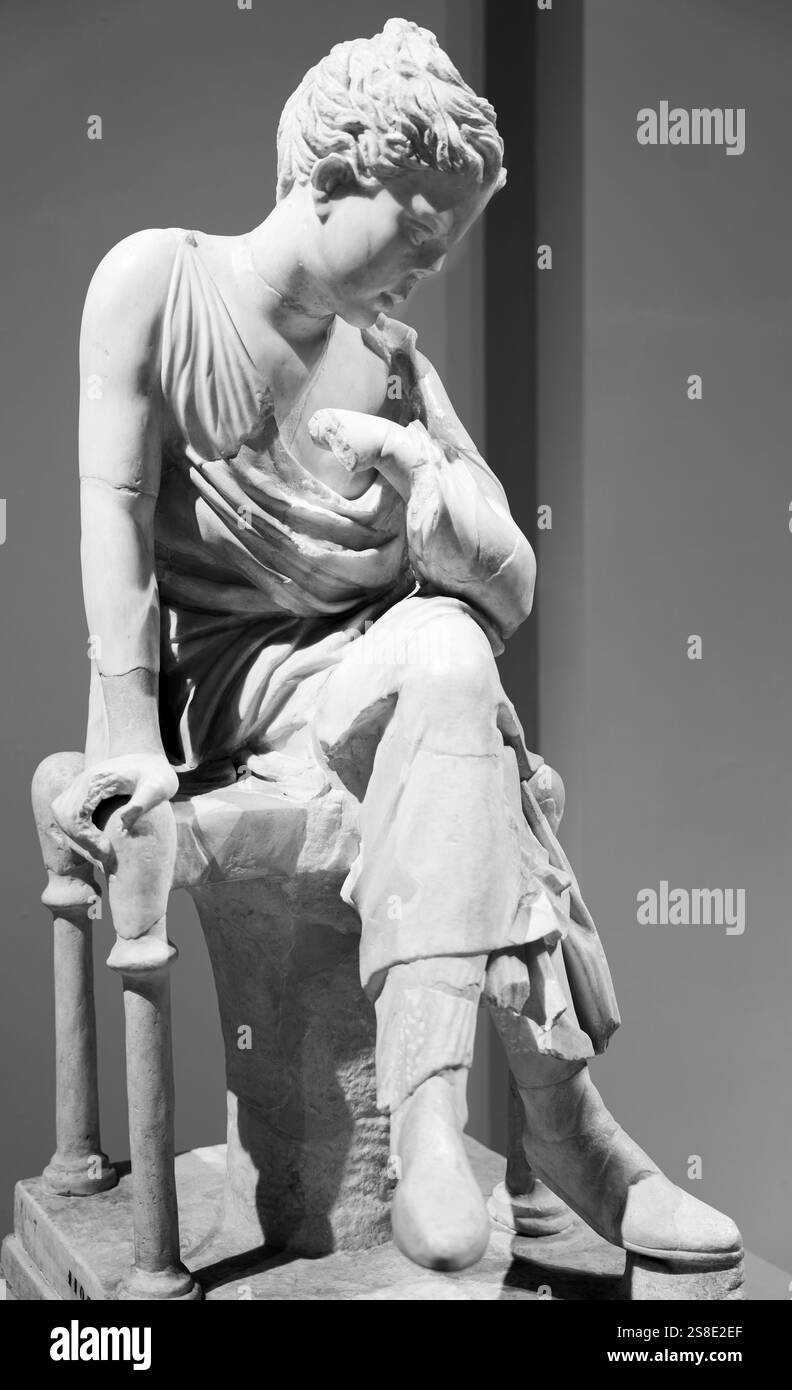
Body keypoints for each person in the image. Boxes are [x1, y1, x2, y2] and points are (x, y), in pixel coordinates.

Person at [54, 18, 740, 1272]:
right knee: (455, 674)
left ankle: (430, 1119)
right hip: (247, 694)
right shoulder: (157, 284)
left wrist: (430, 479)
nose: (427, 268)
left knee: (451, 658)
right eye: (415, 232)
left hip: (395, 676)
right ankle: (572, 1127)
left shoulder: (388, 359)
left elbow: (511, 583)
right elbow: (110, 511)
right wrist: (125, 730)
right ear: (322, 178)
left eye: (448, 246)